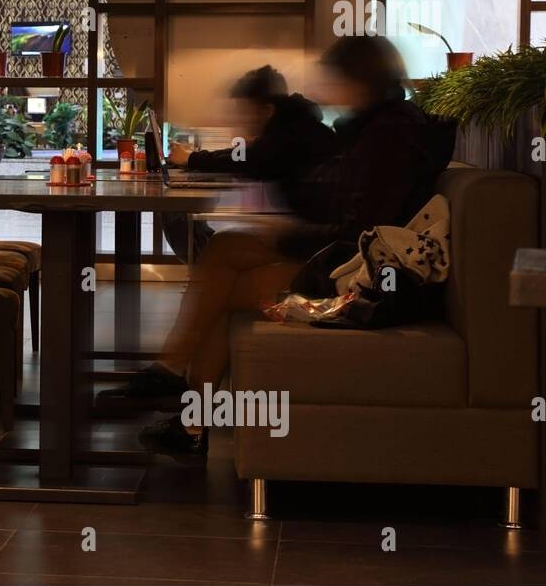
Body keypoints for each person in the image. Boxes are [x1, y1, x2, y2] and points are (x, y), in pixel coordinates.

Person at [118, 33, 455, 454]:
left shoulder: (390, 136)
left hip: (360, 278)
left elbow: (362, 231)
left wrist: (290, 234)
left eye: (337, 80)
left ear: (361, 80)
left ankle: (189, 416)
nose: (329, 90)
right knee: (225, 250)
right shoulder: (374, 127)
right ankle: (173, 373)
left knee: (231, 293)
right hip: (342, 255)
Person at [160, 65, 336, 260]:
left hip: (318, 246)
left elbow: (246, 159)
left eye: (245, 112)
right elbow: (244, 155)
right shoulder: (295, 127)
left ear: (267, 110)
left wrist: (191, 158)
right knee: (219, 244)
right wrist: (192, 157)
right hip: (316, 237)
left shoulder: (287, 137)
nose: (240, 119)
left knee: (216, 247)